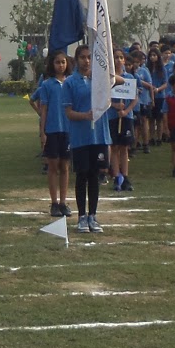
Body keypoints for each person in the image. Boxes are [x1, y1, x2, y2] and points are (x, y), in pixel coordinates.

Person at [61, 46, 109, 233]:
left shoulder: (99, 80)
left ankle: (93, 216)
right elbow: (68, 112)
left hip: (98, 136)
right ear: (76, 59)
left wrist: (105, 74)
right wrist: (85, 116)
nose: (86, 61)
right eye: (82, 57)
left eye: (89, 57)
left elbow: (118, 81)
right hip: (81, 137)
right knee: (82, 175)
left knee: (94, 176)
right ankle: (82, 216)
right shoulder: (70, 82)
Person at [33, 52, 72, 218]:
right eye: (57, 62)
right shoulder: (47, 85)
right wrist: (43, 132)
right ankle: (54, 202)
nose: (61, 65)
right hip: (52, 130)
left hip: (68, 130)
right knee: (53, 166)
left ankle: (63, 202)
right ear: (52, 64)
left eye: (63, 62)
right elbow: (44, 109)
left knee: (65, 166)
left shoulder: (70, 83)